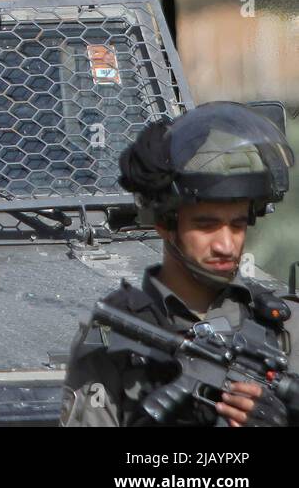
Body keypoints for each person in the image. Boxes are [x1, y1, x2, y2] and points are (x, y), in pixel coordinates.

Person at [61, 102, 299, 427]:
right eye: (206, 225)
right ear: (164, 224)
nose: (226, 245)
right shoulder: (114, 333)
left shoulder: (286, 328)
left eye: (237, 225)